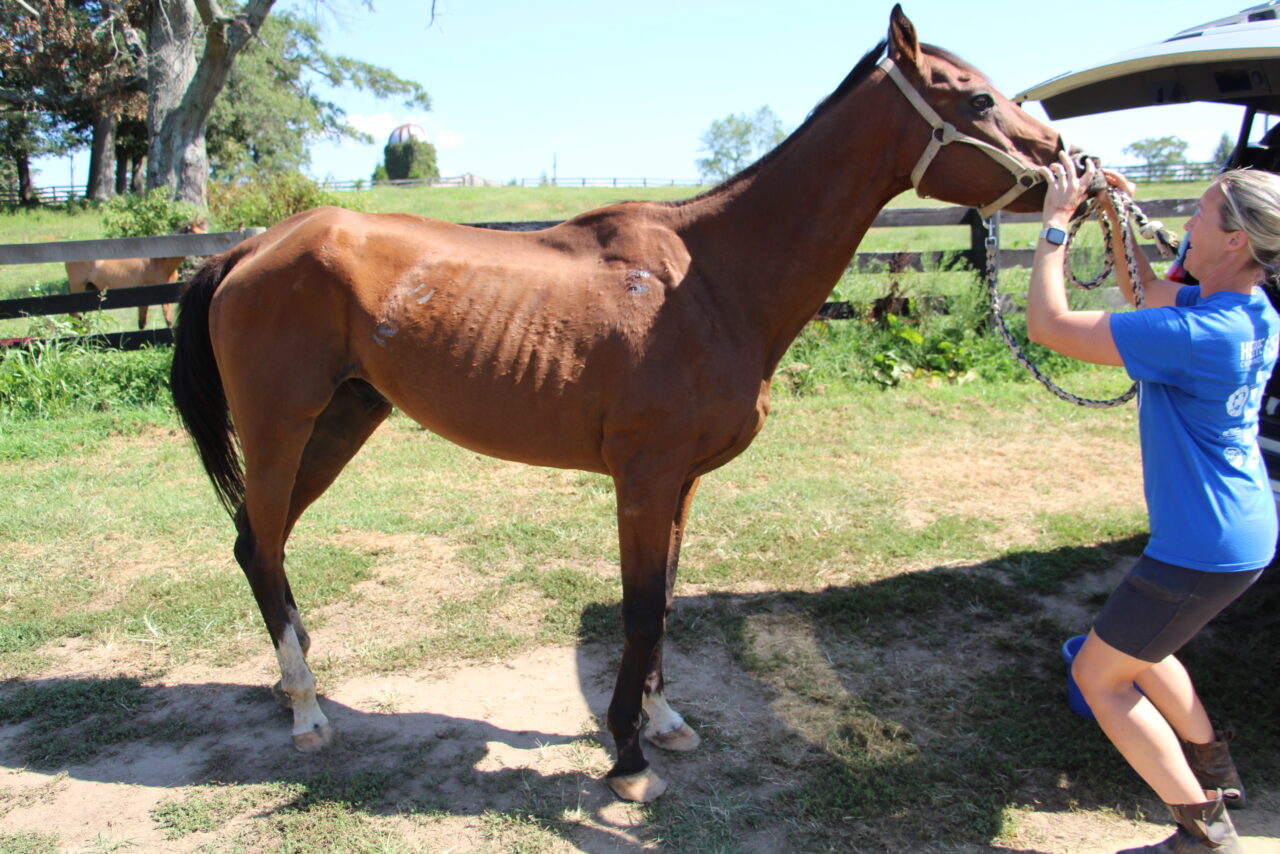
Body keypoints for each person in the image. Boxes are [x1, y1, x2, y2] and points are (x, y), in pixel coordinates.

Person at [1027, 154, 1280, 854]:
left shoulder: (1197, 335)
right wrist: (1112, 217)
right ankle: (1216, 770)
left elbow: (1049, 324)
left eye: (1199, 213)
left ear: (1235, 240)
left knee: (1098, 676)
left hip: (1202, 547)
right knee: (1142, 649)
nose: (1186, 223)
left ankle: (1202, 834)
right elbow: (1145, 291)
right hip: (1236, 533)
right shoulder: (1248, 311)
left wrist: (1055, 226)